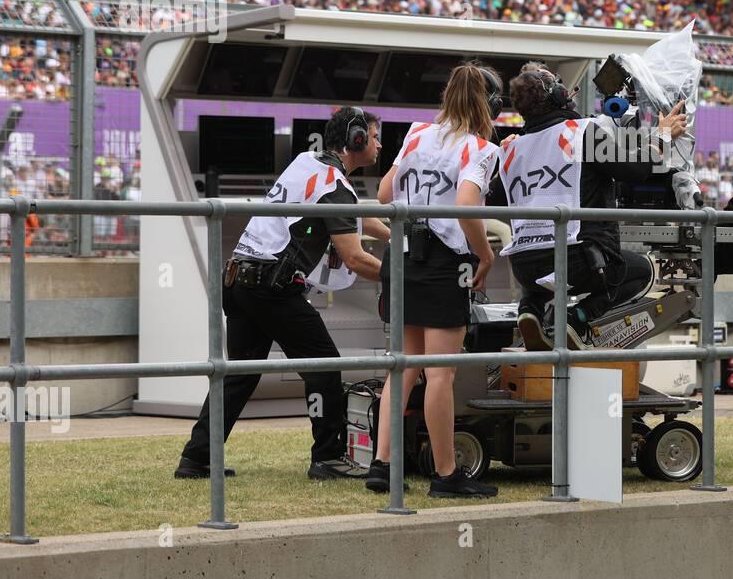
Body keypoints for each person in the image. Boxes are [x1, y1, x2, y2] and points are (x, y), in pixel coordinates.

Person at [175, 107, 385, 481]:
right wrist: (401, 274)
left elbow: (353, 214)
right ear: (356, 140)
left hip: (239, 278)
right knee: (324, 366)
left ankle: (196, 457)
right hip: (272, 286)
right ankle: (327, 458)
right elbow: (354, 258)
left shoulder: (308, 163)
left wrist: (399, 228)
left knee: (239, 373)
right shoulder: (336, 188)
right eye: (374, 135)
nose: (379, 144)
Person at [368, 64, 502, 499]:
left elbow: (385, 194)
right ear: (490, 105)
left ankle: (382, 465)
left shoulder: (415, 133)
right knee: (440, 374)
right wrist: (485, 253)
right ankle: (446, 475)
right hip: (443, 263)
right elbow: (466, 205)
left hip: (403, 254)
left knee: (403, 367)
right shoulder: (480, 147)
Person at [487, 62, 687, 350]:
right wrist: (663, 136)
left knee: (541, 277)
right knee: (641, 271)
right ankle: (575, 318)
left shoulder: (511, 149)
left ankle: (529, 312)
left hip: (525, 267)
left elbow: (491, 196)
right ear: (556, 95)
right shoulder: (582, 133)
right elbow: (636, 169)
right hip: (579, 261)